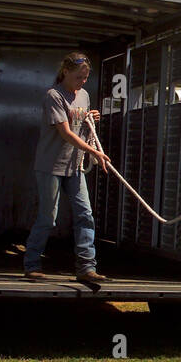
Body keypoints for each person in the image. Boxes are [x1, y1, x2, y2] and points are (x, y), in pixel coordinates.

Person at [23, 52, 112, 282]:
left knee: (85, 214)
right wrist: (94, 151)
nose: (82, 82)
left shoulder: (84, 95)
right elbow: (65, 132)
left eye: (85, 78)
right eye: (78, 77)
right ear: (65, 73)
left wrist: (90, 117)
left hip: (74, 167)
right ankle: (31, 264)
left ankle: (86, 267)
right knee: (48, 217)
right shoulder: (54, 95)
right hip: (50, 166)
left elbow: (79, 123)